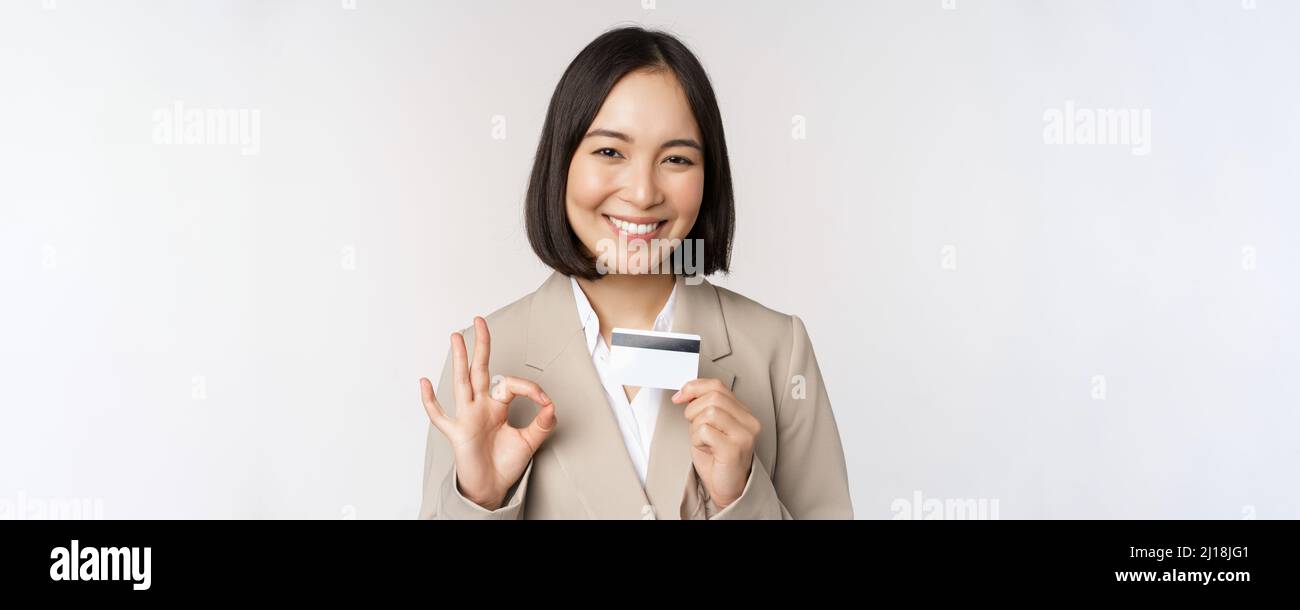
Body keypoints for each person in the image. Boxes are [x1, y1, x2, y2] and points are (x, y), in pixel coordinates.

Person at [417, 26, 852, 519]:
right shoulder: (482, 362)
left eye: (676, 159)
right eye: (609, 152)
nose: (643, 193)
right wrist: (479, 501)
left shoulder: (779, 351)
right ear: (561, 162)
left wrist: (741, 499)